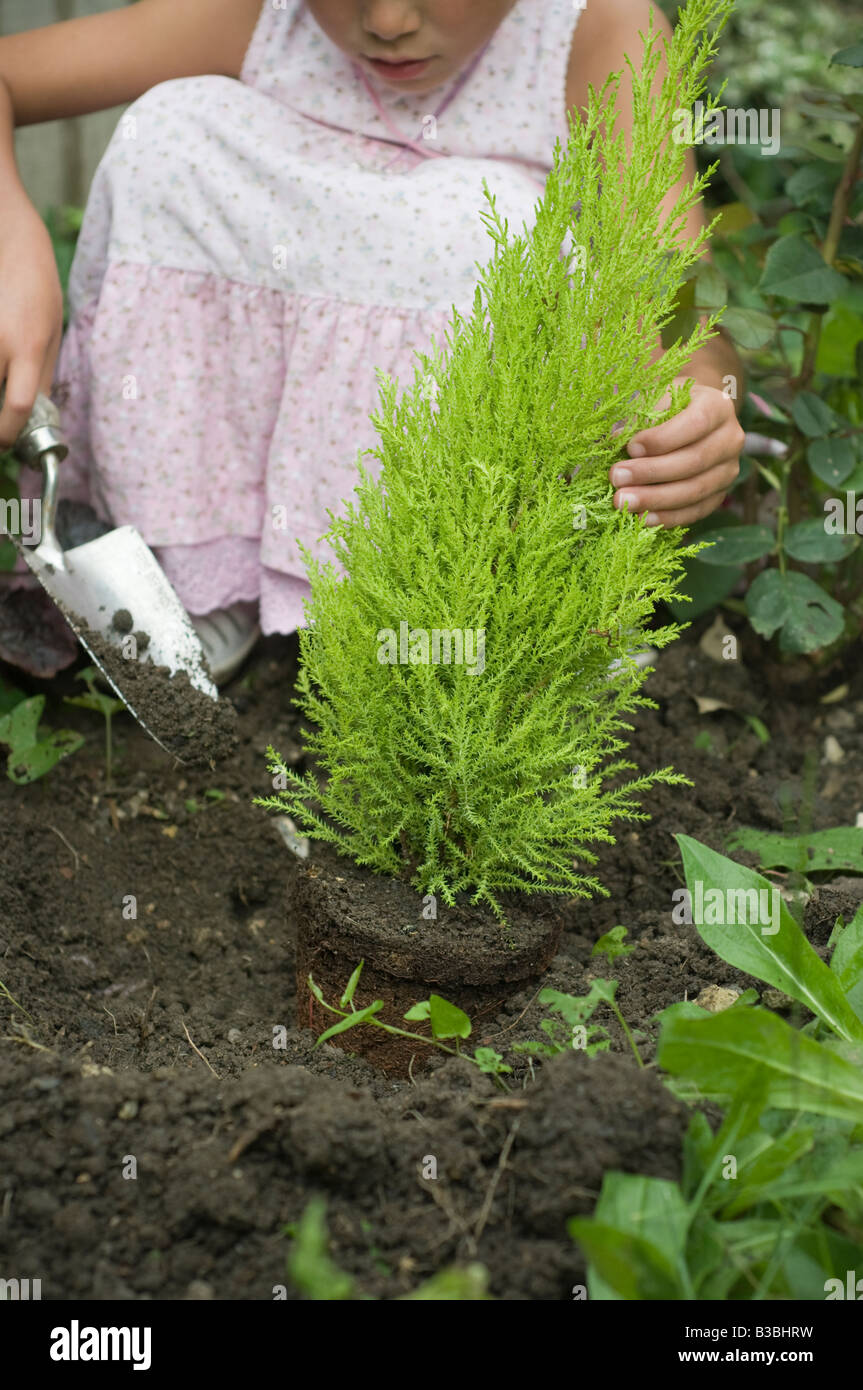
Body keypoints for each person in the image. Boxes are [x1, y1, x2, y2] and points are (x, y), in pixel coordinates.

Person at [0, 0, 744, 683]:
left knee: (497, 232)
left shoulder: (592, 30)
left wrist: (698, 395)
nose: (387, 21)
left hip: (472, 452)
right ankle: (203, 565)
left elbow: (674, 297)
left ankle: (476, 609)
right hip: (289, 347)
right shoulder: (266, 13)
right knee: (170, 130)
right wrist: (11, 243)